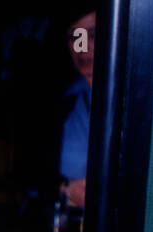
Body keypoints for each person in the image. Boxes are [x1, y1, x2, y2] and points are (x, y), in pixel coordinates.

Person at [59, 5, 95, 210]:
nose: (83, 47)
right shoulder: (58, 103)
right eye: (76, 37)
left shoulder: (137, 99)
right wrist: (65, 189)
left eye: (93, 35)